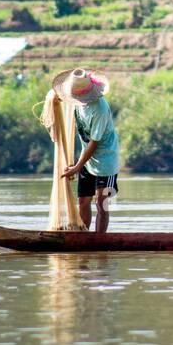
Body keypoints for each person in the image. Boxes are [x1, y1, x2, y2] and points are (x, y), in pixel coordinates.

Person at [53, 68, 120, 233]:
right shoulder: (76, 103)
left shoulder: (100, 110)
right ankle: (84, 237)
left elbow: (93, 143)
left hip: (106, 161)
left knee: (101, 202)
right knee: (83, 201)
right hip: (87, 159)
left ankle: (99, 241)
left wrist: (76, 167)